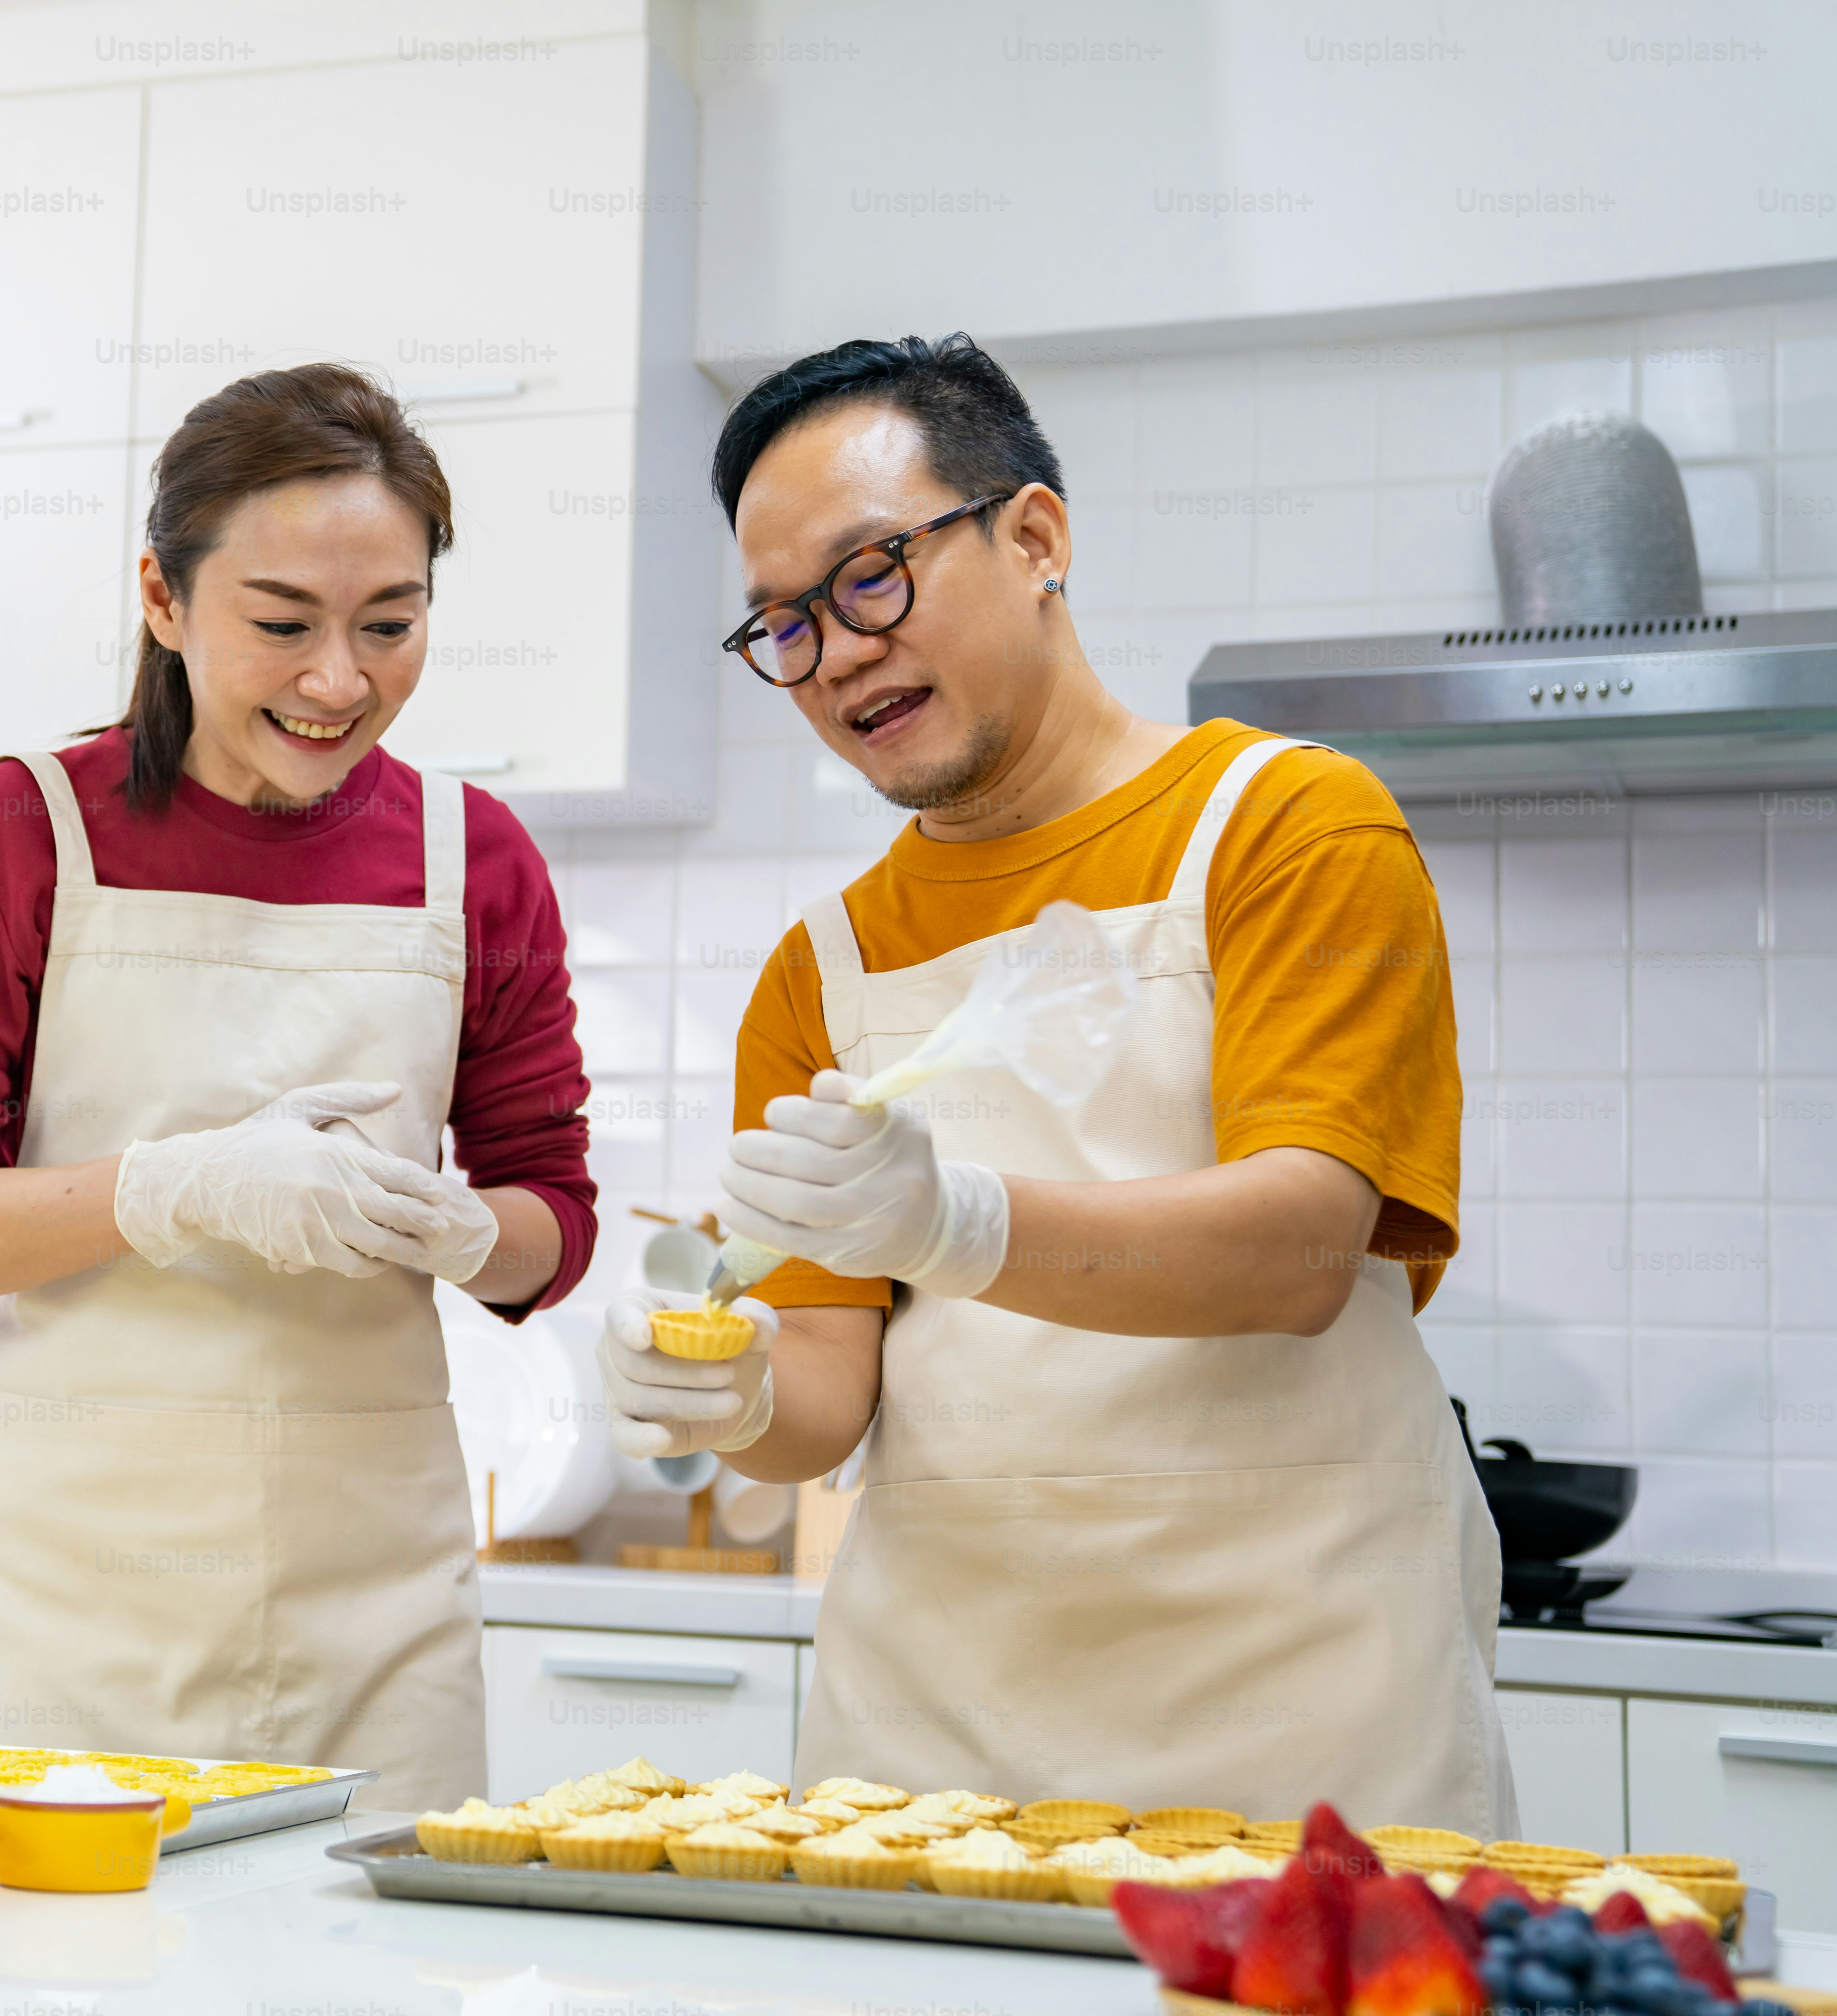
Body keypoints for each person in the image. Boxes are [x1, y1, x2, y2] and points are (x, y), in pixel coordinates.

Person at [599, 335, 1513, 1833]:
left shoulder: (1281, 826)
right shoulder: (817, 968)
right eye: (780, 625)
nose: (833, 653)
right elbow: (825, 1400)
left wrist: (953, 1222)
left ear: (1032, 536)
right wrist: (728, 1389)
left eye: (868, 575)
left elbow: (1299, 1249)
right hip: (937, 1728)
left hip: (1301, 1715)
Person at [0, 363, 594, 1808]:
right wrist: (171, 1186)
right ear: (162, 598)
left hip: (377, 1627)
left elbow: (552, 1228)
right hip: (70, 1622)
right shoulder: (19, 830)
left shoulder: (476, 856)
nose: (342, 682)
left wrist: (458, 1233)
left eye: (392, 626)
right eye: (282, 626)